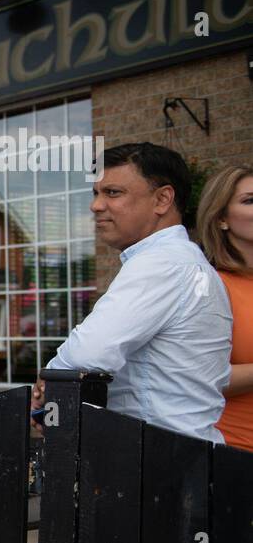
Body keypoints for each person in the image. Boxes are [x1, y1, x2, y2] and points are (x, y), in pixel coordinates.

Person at [34, 142, 231, 443]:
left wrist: (45, 387)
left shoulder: (163, 263)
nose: (96, 205)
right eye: (96, 193)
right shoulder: (183, 261)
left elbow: (88, 353)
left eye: (113, 193)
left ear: (163, 199)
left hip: (160, 459)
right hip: (181, 453)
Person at [196, 163, 253, 452]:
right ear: (221, 219)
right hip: (237, 452)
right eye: (250, 200)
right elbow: (200, 376)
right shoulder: (211, 286)